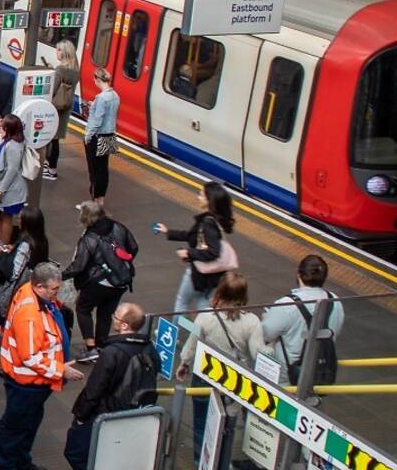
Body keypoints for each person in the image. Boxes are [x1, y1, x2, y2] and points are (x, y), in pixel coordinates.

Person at [0, 261, 84, 470]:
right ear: (40, 286)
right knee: (16, 424)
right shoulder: (30, 315)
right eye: (54, 289)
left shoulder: (34, 296)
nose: (58, 293)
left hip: (35, 381)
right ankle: (5, 468)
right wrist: (60, 369)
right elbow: (30, 356)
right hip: (26, 381)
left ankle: (21, 460)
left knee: (29, 421)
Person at [62, 302, 155, 470]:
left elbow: (94, 389)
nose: (113, 318)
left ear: (124, 326)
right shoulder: (149, 348)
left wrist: (80, 417)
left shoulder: (112, 352)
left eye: (117, 317)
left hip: (103, 415)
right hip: (131, 417)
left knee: (76, 452)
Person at [176, 273, 265, 445]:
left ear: (220, 291)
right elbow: (258, 353)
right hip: (236, 379)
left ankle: (201, 464)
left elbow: (191, 346)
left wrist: (184, 364)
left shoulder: (205, 317)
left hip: (206, 374)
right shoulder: (252, 321)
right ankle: (223, 463)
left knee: (201, 424)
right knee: (228, 425)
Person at [62, 198, 138, 354]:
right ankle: (101, 345)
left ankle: (91, 348)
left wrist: (59, 275)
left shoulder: (89, 238)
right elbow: (134, 247)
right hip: (121, 282)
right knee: (105, 314)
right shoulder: (119, 227)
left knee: (83, 308)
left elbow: (79, 266)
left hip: (99, 282)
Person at [261, 253, 344, 386]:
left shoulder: (286, 304)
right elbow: (336, 330)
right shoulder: (335, 301)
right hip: (321, 365)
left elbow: (266, 334)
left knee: (284, 401)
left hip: (290, 370)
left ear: (299, 275)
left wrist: (266, 316)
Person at [157, 179, 237, 315]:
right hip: (215, 275)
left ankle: (178, 334)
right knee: (203, 305)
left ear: (209, 200)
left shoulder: (207, 223)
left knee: (182, 302)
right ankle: (198, 335)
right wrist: (168, 232)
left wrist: (189, 253)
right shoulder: (216, 219)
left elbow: (213, 252)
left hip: (199, 272)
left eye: (201, 195)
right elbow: (193, 236)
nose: (198, 197)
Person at [0, 113, 29, 248]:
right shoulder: (11, 141)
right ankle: (2, 240)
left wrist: (1, 189)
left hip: (9, 188)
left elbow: (12, 170)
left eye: (3, 126)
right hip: (4, 186)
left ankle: (4, 244)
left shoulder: (13, 146)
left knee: (6, 216)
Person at [46, 39, 79, 180]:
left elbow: (52, 90)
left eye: (59, 50)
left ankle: (51, 169)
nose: (57, 52)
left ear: (64, 53)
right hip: (65, 108)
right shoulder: (74, 70)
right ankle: (51, 167)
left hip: (55, 107)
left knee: (51, 140)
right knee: (56, 139)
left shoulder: (61, 69)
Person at [82, 69, 118, 199]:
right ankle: (101, 200)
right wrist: (94, 106)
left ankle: (94, 201)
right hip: (109, 136)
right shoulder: (115, 95)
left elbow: (97, 121)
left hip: (97, 138)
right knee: (103, 170)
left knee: (94, 171)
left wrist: (88, 136)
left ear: (98, 79)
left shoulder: (101, 98)